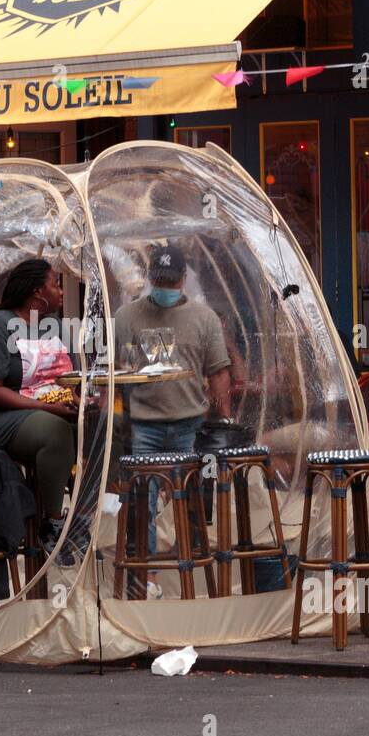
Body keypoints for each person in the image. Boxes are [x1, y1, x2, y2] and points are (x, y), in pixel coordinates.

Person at [113, 244, 232, 592]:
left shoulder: (204, 318)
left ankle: (193, 569)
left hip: (190, 423)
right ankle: (147, 574)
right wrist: (113, 419)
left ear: (183, 280)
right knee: (142, 501)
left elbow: (218, 371)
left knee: (192, 498)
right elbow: (117, 370)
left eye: (170, 280)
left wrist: (223, 422)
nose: (164, 287)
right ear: (151, 278)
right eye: (158, 280)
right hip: (143, 423)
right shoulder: (126, 317)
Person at [0, 258, 79, 554]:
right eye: (55, 285)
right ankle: (52, 523)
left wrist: (80, 401)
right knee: (55, 430)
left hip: (46, 410)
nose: (61, 292)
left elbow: (68, 378)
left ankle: (85, 514)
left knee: (108, 426)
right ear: (37, 292)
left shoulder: (56, 325)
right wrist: (46, 408)